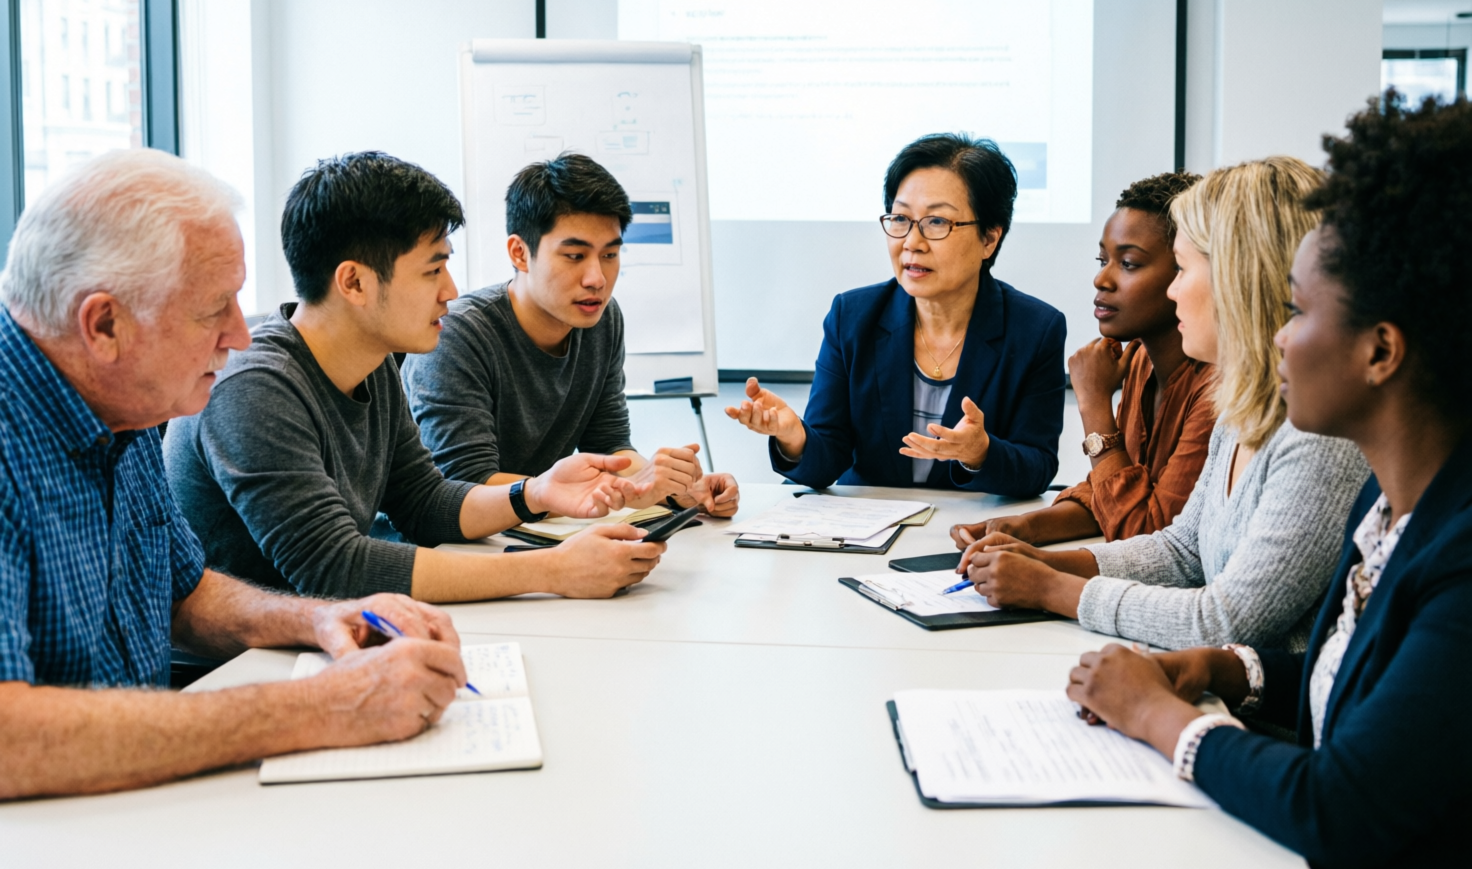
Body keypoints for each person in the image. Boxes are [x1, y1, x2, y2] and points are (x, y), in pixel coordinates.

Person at [1064, 94, 1471, 867]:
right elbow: (1358, 684)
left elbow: (1343, 807)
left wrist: (1157, 716)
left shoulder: (1458, 555)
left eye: (1297, 310)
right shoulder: (1390, 506)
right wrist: (1224, 669)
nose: (1277, 336)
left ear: (1380, 351)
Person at [0, 151, 473, 800]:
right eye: (213, 309)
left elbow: (185, 593)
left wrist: (322, 620)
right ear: (104, 324)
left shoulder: (127, 405)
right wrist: (320, 707)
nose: (238, 334)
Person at [166, 152, 665, 604]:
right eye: (433, 271)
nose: (450, 291)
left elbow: (425, 503)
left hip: (328, 636)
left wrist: (535, 493)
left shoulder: (375, 361)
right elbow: (335, 569)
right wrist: (552, 571)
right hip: (232, 667)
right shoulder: (256, 387)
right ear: (355, 282)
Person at [959, 157, 1370, 651]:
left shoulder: (1319, 437)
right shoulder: (1242, 408)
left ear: (1238, 279)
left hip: (1259, 713)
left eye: (1183, 269)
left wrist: (1050, 588)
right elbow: (1182, 550)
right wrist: (1039, 561)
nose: (1174, 291)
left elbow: (1224, 621)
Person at [726, 134, 1065, 497]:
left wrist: (980, 453)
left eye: (936, 222)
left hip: (969, 538)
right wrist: (794, 435)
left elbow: (1037, 467)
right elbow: (828, 458)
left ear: (989, 238)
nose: (911, 243)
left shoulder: (1035, 329)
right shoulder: (853, 317)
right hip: (865, 536)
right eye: (901, 218)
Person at [402, 152, 738, 517]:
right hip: (451, 543)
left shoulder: (601, 319)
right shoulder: (459, 336)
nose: (597, 278)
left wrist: (674, 488)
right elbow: (467, 481)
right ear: (519, 253)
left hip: (536, 532)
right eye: (575, 256)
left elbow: (610, 444)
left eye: (609, 255)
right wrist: (602, 491)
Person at [952, 172, 1216, 546]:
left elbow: (1144, 534)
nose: (1101, 279)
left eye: (1128, 264)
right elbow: (1109, 492)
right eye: (1102, 259)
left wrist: (1094, 403)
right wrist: (1018, 529)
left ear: (1188, 271)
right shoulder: (1140, 359)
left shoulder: (1216, 389)